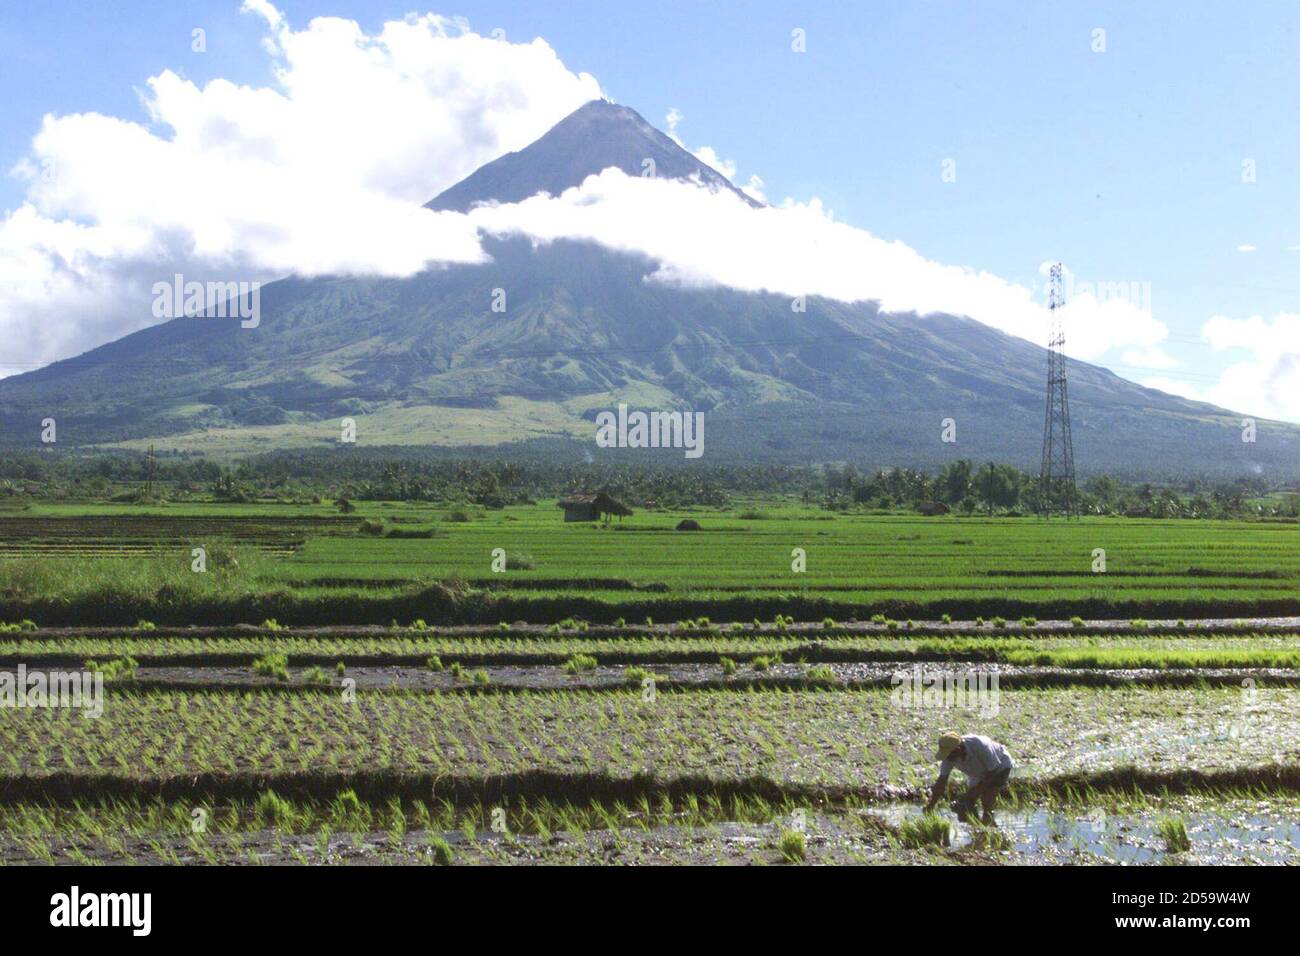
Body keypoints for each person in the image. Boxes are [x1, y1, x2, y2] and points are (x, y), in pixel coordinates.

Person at [924, 731, 1013, 824]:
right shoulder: (948, 757)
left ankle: (989, 831)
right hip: (977, 771)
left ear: (958, 749)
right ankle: (975, 827)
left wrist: (976, 791)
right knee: (967, 802)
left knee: (987, 800)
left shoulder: (980, 745)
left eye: (949, 754)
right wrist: (931, 805)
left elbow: (992, 772)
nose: (947, 758)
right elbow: (941, 783)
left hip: (999, 766)